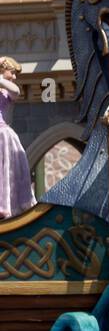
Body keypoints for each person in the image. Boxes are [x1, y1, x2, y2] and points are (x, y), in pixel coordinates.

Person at [0, 55, 35, 218]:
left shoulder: (7, 89)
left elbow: (16, 91)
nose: (14, 77)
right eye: (11, 72)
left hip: (3, 136)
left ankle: (6, 207)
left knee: (9, 171)